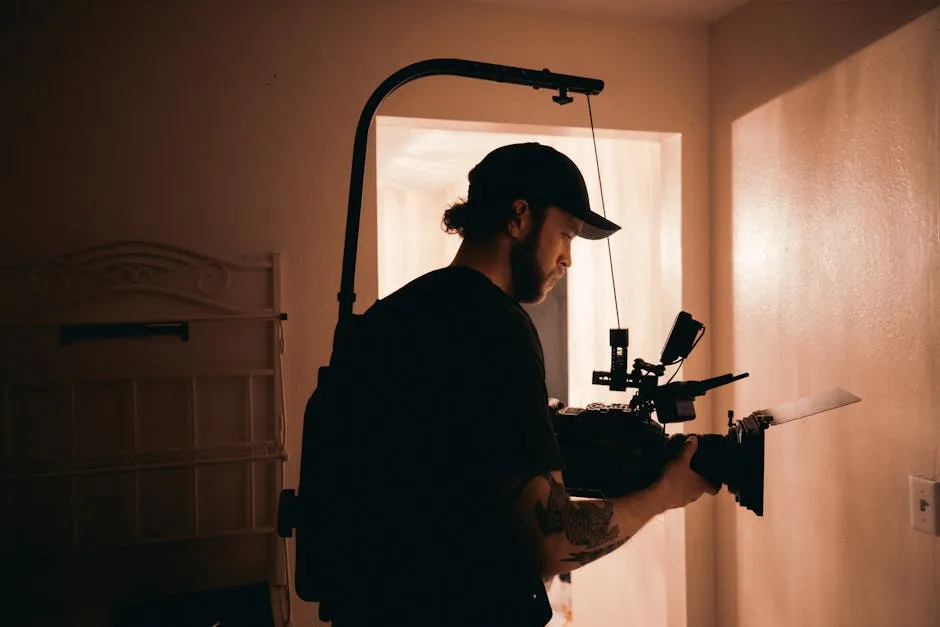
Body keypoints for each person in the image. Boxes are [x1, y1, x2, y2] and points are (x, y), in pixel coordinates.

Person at [308, 142, 717, 627]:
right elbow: (555, 544)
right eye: (565, 234)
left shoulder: (391, 315)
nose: (568, 259)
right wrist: (665, 493)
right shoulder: (496, 327)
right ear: (519, 217)